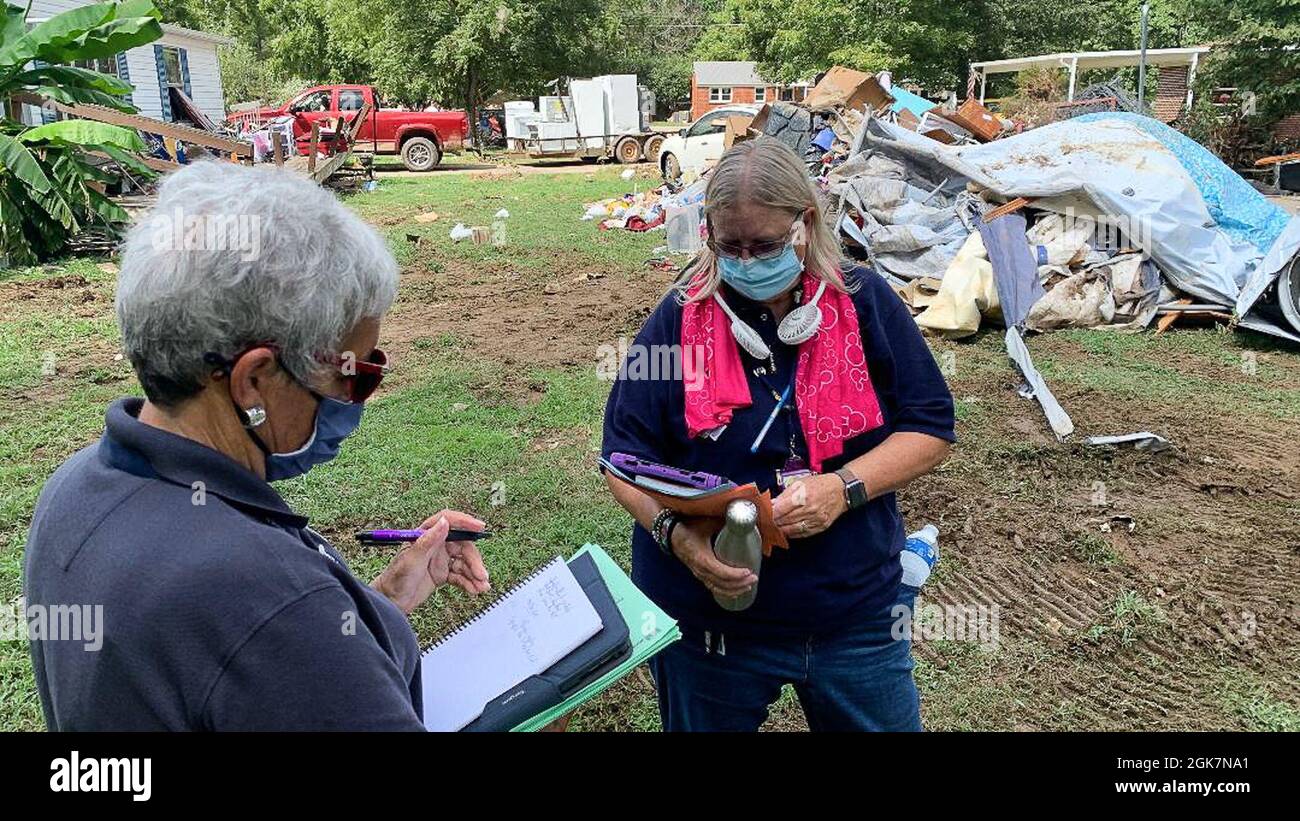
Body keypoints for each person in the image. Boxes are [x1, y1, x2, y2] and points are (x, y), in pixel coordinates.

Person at [24, 162, 489, 731]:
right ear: (254, 381)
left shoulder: (77, 486)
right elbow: (265, 636)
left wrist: (380, 603)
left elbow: (236, 676)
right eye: (357, 373)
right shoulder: (265, 596)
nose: (359, 398)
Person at [601, 139, 956, 731]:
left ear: (804, 224)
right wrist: (676, 536)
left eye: (763, 245)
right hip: (712, 622)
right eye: (727, 245)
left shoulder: (864, 303)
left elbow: (930, 427)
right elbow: (621, 458)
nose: (743, 260)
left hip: (853, 613)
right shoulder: (676, 318)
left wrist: (843, 488)